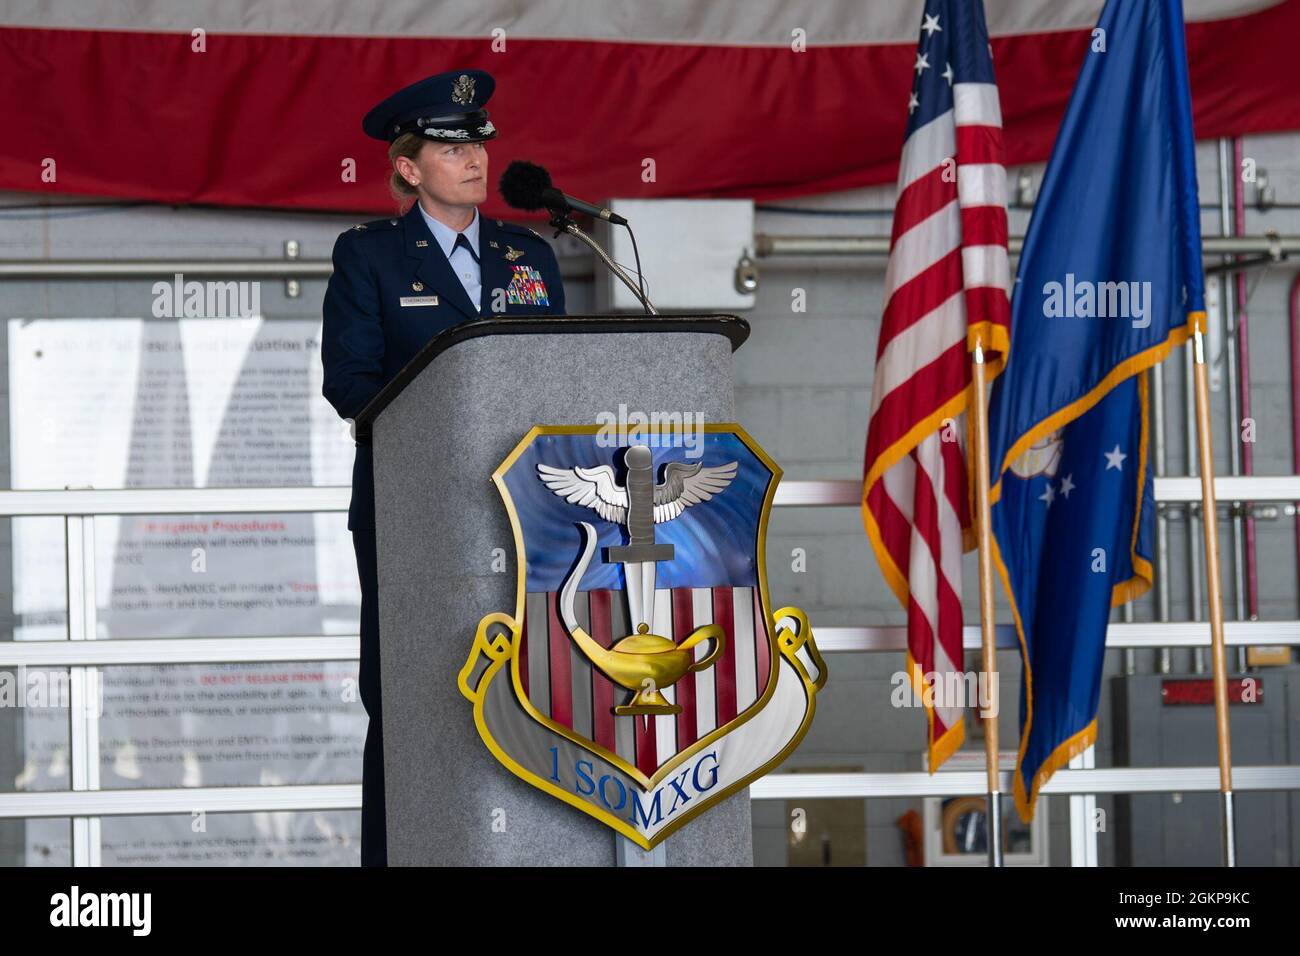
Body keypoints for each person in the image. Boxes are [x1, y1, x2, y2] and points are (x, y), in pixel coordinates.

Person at [320, 68, 566, 866]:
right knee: (409, 696)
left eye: (477, 142)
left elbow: (556, 378)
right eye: (449, 145)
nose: (473, 157)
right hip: (412, 508)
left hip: (522, 511)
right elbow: (349, 384)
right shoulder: (372, 258)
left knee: (530, 685)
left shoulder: (529, 250)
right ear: (408, 167)